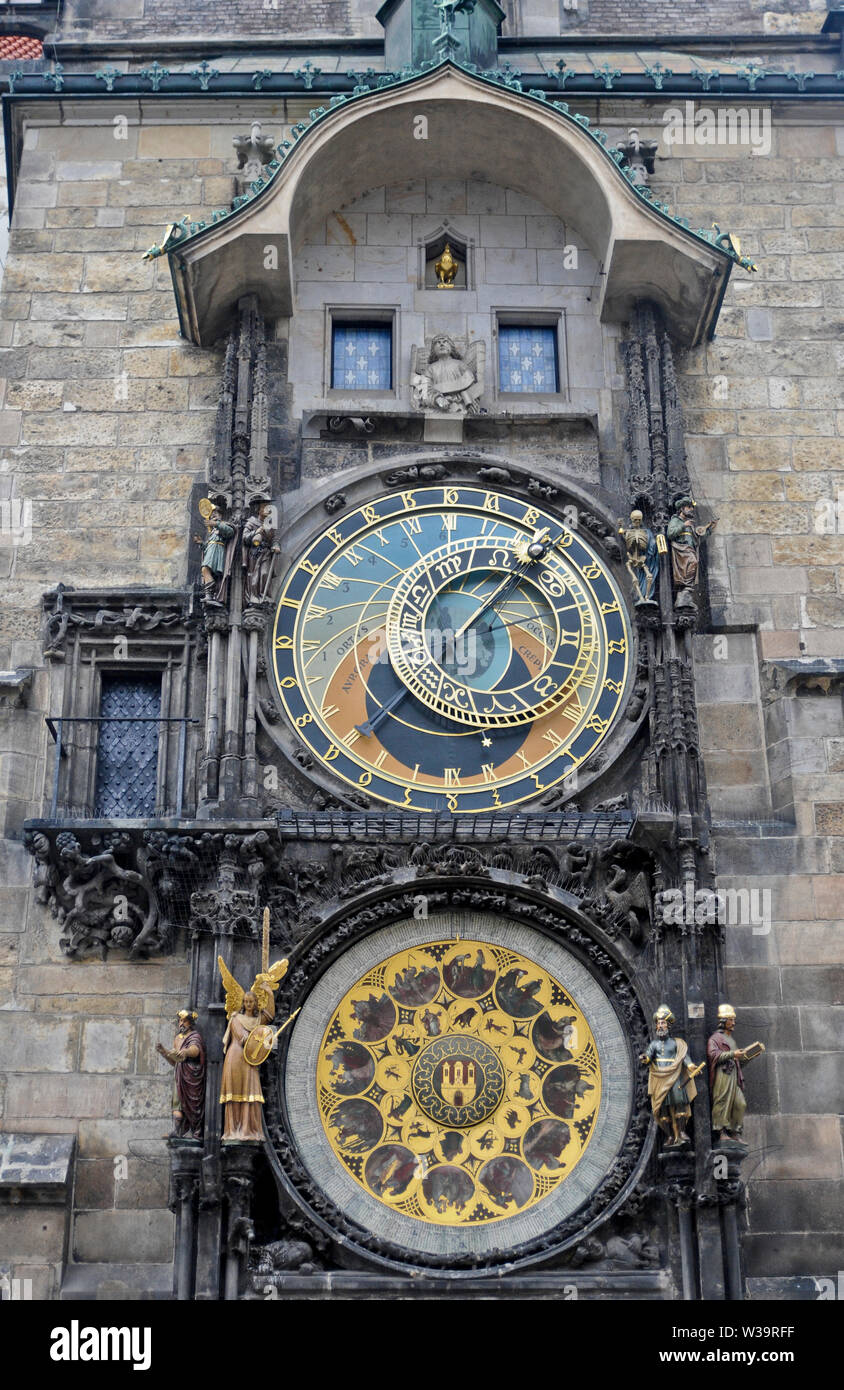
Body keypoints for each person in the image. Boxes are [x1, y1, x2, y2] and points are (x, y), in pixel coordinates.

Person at [640, 1004, 699, 1147]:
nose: (660, 1026)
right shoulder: (654, 1044)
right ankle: (670, 1136)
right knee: (663, 1109)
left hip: (674, 1076)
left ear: (668, 1026)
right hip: (660, 1077)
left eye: (663, 1023)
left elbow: (683, 1057)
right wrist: (645, 1058)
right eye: (659, 1023)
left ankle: (682, 1132)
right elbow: (648, 1055)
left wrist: (690, 1065)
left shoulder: (675, 1043)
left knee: (679, 1104)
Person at [157, 1009, 206, 1139]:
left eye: (184, 1021)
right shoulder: (177, 1039)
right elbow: (175, 1062)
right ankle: (177, 1131)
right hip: (179, 1073)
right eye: (180, 1021)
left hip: (191, 1074)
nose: (181, 1024)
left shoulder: (195, 1036)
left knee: (192, 1103)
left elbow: (195, 1050)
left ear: (190, 1023)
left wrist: (186, 1051)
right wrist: (164, 1052)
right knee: (177, 1102)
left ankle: (194, 1129)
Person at [707, 1003, 747, 1141]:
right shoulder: (715, 1038)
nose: (733, 1022)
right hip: (723, 1075)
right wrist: (732, 1054)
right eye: (731, 1019)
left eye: (733, 1019)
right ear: (723, 1021)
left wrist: (746, 1057)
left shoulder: (731, 1040)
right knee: (722, 1101)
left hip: (734, 1075)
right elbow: (713, 1055)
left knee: (740, 1103)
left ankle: (735, 1131)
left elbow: (736, 1058)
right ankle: (721, 1131)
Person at [666, 496, 716, 607]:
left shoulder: (690, 523)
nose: (691, 509)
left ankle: (686, 590)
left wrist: (710, 530)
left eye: (691, 507)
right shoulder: (676, 520)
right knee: (693, 562)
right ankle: (685, 588)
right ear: (682, 508)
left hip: (689, 549)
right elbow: (670, 533)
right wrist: (684, 525)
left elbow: (697, 539)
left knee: (693, 563)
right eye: (689, 507)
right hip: (681, 550)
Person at [620, 508, 659, 603]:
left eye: (639, 520)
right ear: (631, 520)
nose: (637, 522)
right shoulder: (628, 531)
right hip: (633, 558)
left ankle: (646, 596)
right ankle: (640, 596)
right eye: (635, 520)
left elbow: (651, 543)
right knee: (636, 577)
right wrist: (622, 532)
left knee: (649, 575)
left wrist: (651, 548)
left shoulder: (647, 532)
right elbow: (626, 542)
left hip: (644, 558)